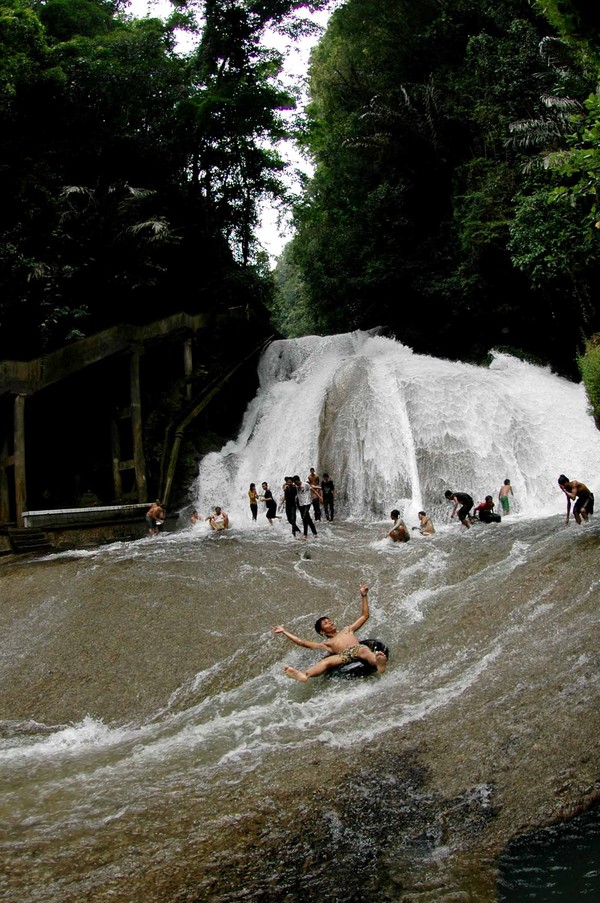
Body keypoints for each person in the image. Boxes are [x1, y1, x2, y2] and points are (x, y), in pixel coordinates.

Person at [273, 582, 387, 682]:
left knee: (364, 649)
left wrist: (364, 596)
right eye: (326, 623)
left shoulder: (347, 630)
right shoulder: (326, 644)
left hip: (357, 649)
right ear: (322, 632)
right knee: (325, 662)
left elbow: (365, 615)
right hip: (343, 656)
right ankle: (304, 675)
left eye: (330, 621)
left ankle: (378, 663)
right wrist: (284, 631)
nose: (330, 622)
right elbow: (302, 642)